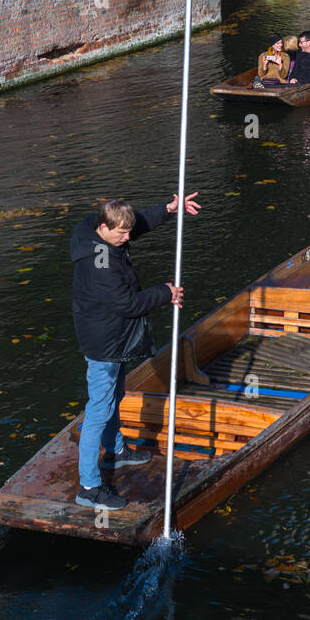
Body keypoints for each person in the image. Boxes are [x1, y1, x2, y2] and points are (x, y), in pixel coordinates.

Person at [71, 192, 200, 511]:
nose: (128, 238)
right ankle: (88, 487)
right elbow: (127, 304)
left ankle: (116, 450)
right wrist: (165, 293)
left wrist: (168, 209)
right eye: (122, 234)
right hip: (104, 344)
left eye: (128, 232)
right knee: (98, 409)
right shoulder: (101, 263)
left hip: (111, 338)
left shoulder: (92, 228)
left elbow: (134, 222)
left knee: (115, 396)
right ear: (104, 228)